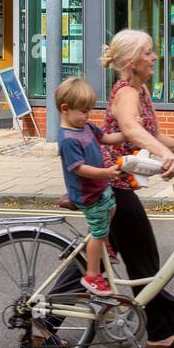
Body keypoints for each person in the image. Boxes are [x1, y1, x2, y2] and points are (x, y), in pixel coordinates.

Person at [42, 28, 174, 348]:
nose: (154, 57)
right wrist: (165, 154)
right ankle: (160, 329)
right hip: (111, 183)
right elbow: (129, 128)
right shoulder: (127, 92)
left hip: (116, 184)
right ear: (131, 61)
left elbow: (146, 133)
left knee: (99, 261)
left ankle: (42, 321)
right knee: (142, 259)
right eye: (147, 52)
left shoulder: (138, 90)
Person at [55, 77, 125, 297]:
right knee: (97, 231)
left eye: (89, 111)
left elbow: (107, 138)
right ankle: (92, 275)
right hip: (87, 195)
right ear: (65, 109)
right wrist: (106, 172)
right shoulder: (68, 138)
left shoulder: (85, 127)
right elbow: (79, 169)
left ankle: (105, 244)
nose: (88, 116)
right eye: (83, 111)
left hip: (100, 189)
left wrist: (129, 133)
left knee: (112, 208)